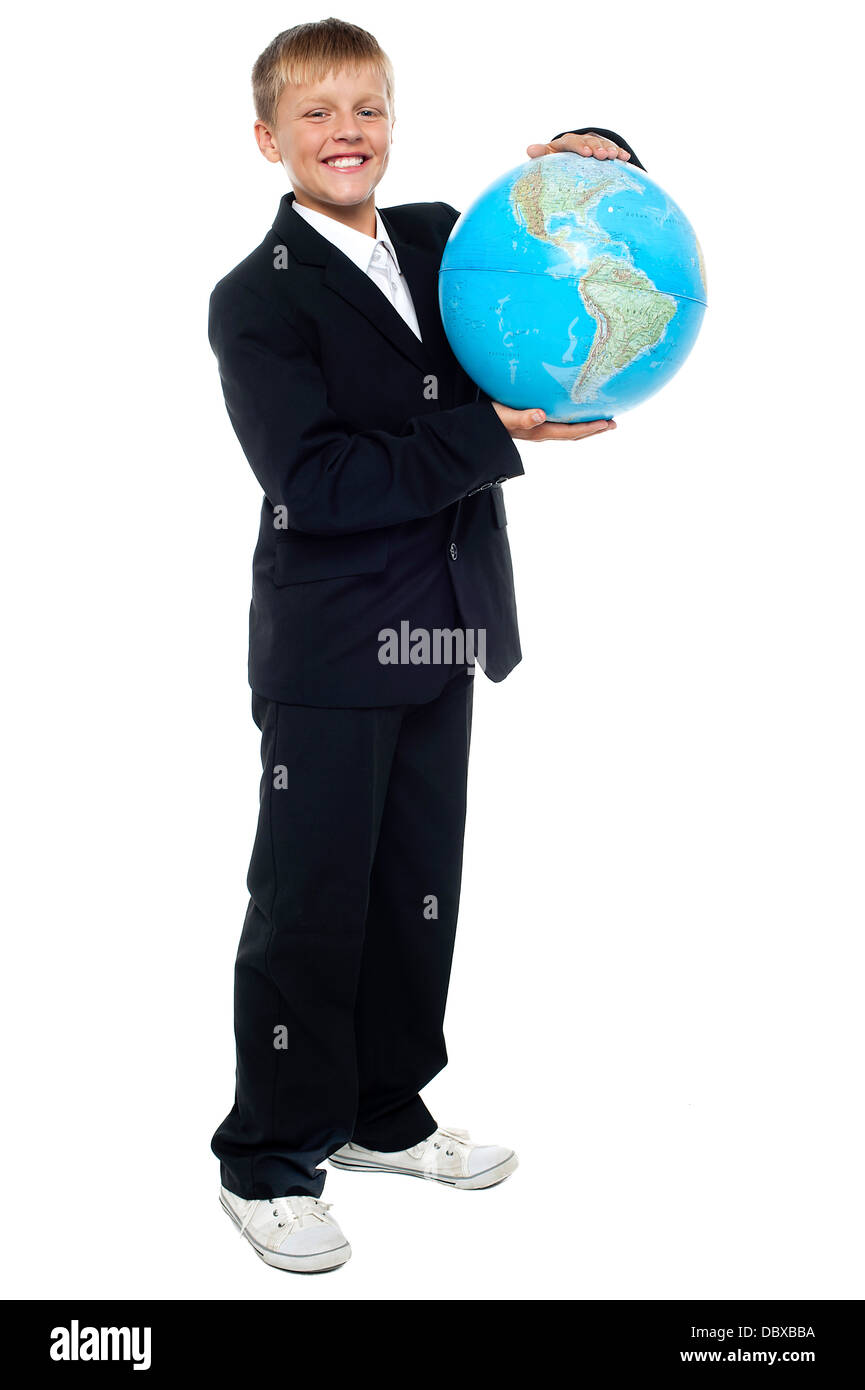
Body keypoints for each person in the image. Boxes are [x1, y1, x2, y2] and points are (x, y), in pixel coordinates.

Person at [208, 15, 645, 1274]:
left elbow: (566, 223)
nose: (347, 134)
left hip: (438, 623)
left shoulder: (440, 239)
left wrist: (598, 152)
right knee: (309, 907)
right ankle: (268, 1155)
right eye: (317, 116)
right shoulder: (255, 302)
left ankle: (383, 1113)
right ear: (267, 139)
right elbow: (314, 479)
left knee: (414, 893)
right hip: (331, 645)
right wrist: (496, 437)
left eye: (369, 111)